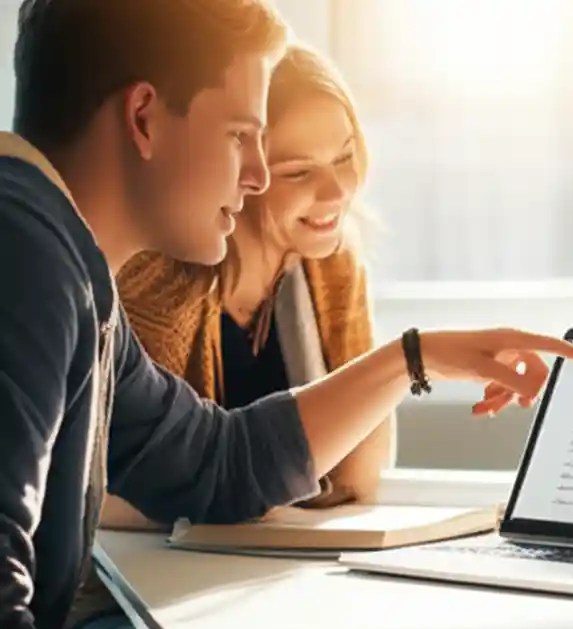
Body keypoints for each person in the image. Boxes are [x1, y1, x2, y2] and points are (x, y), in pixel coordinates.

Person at [0, 0, 573, 629]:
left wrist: (415, 357)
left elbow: (217, 464)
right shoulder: (24, 252)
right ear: (144, 119)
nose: (256, 177)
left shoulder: (67, 266)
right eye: (240, 135)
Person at [112, 44, 389, 516]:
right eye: (299, 171)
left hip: (277, 561)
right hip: (155, 568)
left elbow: (360, 476)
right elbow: (126, 490)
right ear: (245, 173)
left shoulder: (331, 261)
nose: (338, 192)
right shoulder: (155, 280)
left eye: (344, 158)